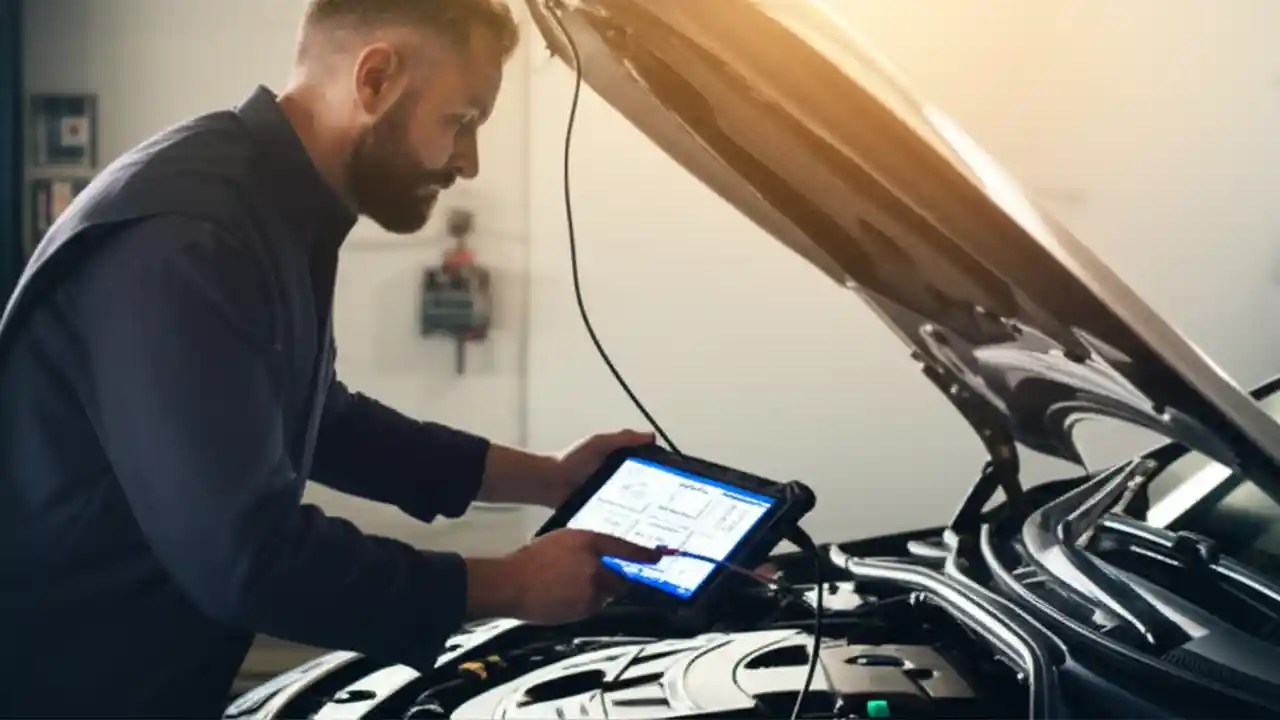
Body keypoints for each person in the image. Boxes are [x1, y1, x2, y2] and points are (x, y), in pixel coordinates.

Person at [0, 0, 663, 716]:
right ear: (375, 78)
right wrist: (509, 584)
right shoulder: (188, 238)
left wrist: (551, 478)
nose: (468, 163)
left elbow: (324, 419)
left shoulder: (258, 206)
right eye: (461, 121)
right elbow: (249, 560)